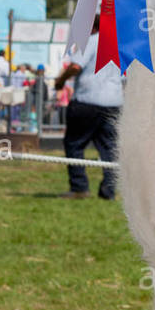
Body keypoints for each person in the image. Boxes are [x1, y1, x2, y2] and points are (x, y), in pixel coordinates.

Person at [54, 15, 123, 199]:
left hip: (87, 101)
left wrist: (60, 81)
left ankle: (79, 187)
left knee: (74, 144)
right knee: (109, 148)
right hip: (114, 102)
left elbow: (76, 66)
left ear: (91, 27)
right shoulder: (116, 44)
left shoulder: (92, 41)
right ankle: (108, 191)